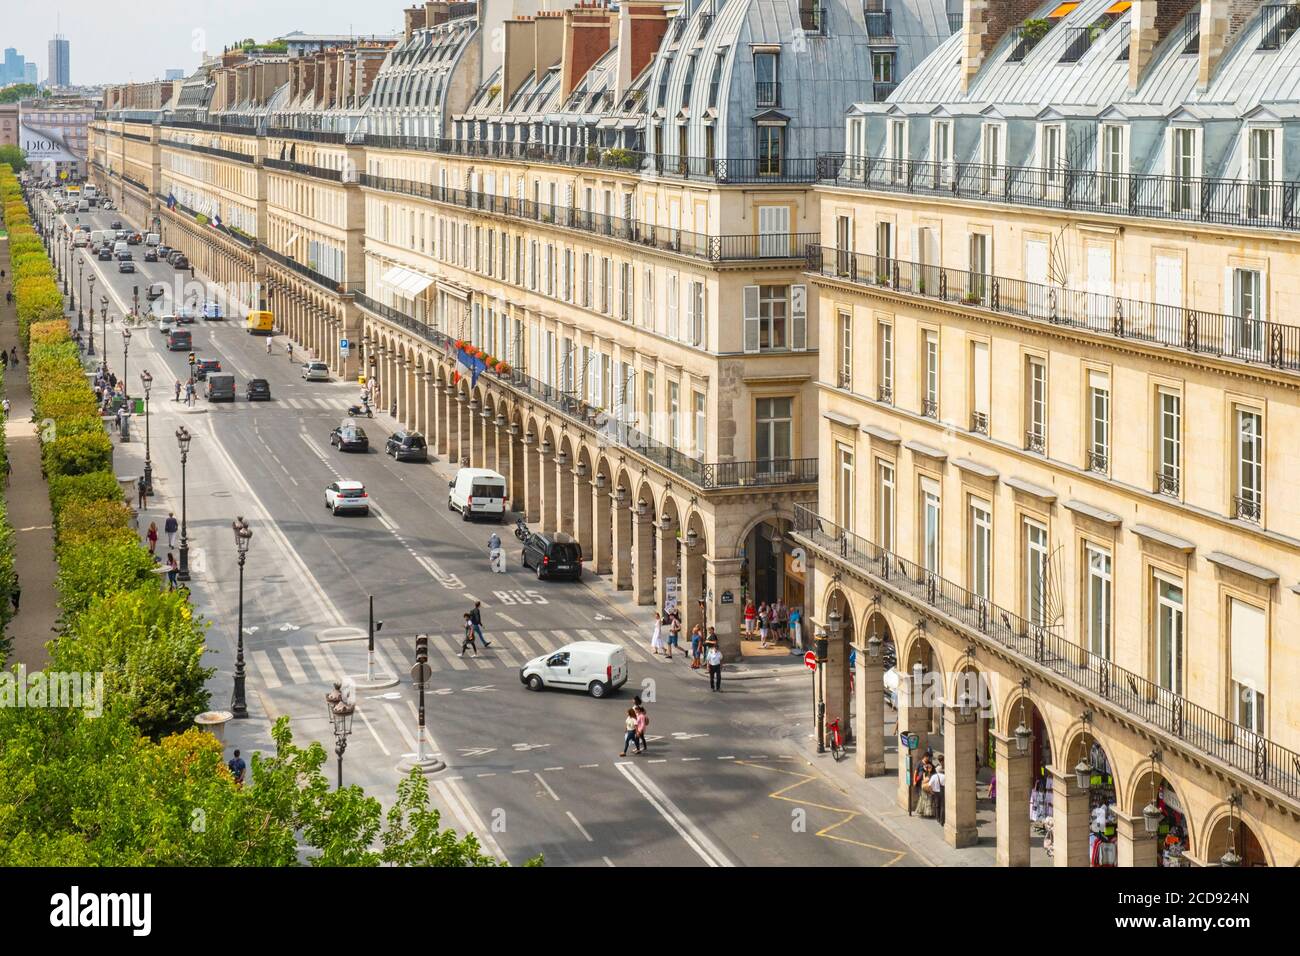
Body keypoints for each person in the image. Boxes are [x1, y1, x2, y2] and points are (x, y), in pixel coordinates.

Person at [929, 758, 946, 824]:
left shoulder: (934, 776)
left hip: (935, 793)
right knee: (942, 806)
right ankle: (942, 820)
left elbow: (929, 785)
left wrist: (931, 791)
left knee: (937, 805)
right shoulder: (944, 776)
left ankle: (938, 818)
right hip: (942, 792)